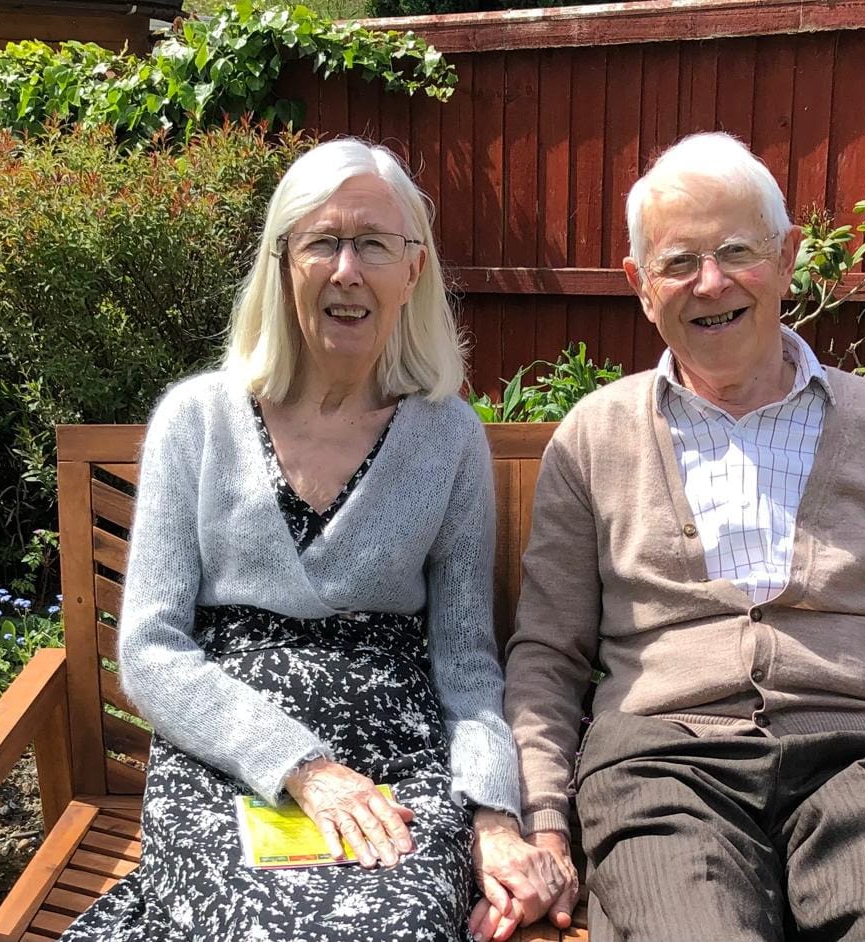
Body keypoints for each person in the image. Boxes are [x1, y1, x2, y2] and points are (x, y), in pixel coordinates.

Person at [504, 131, 865, 942]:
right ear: (640, 286)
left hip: (863, 769)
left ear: (786, 258)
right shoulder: (594, 439)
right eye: (678, 263)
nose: (711, 284)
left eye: (736, 252)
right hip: (658, 773)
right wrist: (546, 827)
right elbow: (546, 658)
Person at [60, 137, 568, 942]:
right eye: (323, 242)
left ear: (414, 271)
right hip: (230, 757)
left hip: (396, 767)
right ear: (282, 261)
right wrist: (299, 765)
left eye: (374, 243)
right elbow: (152, 650)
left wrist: (495, 815)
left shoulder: (449, 439)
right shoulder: (196, 421)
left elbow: (467, 664)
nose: (346, 270)